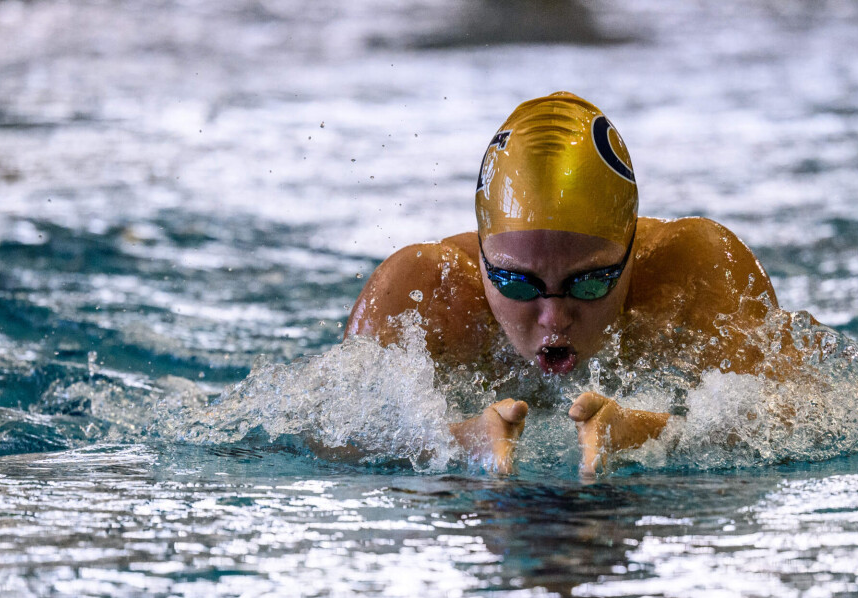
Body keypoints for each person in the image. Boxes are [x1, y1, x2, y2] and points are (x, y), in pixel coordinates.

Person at [343, 92, 809, 475]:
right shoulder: (423, 291)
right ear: (483, 258)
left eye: (588, 283)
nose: (554, 318)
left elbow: (806, 418)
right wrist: (453, 441)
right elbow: (328, 435)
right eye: (516, 283)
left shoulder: (695, 274)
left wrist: (653, 433)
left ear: (631, 252)